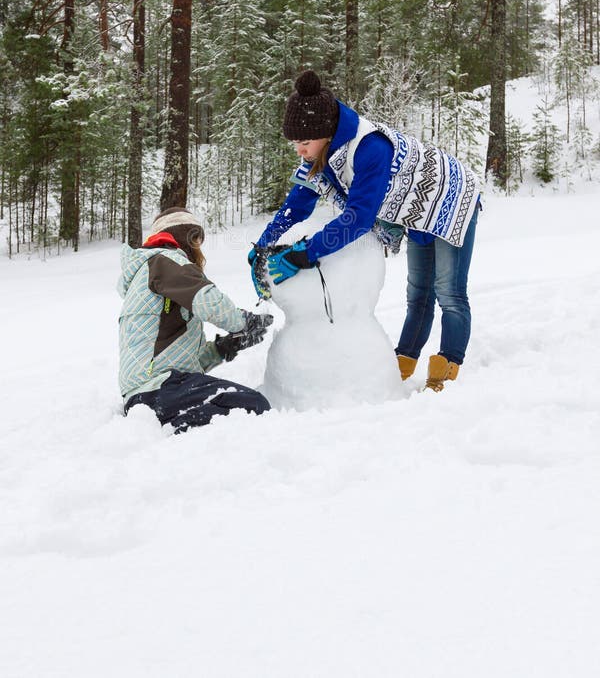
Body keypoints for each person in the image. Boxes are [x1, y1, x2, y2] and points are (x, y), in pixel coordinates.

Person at [250, 70, 480, 392]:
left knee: (449, 292)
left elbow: (358, 217)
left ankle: (447, 366)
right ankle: (403, 361)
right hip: (416, 212)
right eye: (295, 144)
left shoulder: (370, 147)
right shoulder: (321, 155)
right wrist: (263, 245)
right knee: (418, 293)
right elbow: (298, 204)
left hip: (451, 200)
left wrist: (306, 253)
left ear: (324, 133)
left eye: (304, 143)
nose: (299, 151)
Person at [119, 207, 272, 432]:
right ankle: (176, 435)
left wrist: (223, 348)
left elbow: (179, 360)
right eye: (196, 241)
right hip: (159, 390)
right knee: (253, 405)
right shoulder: (165, 260)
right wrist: (245, 321)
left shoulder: (152, 272)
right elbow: (209, 302)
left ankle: (174, 431)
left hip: (149, 395)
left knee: (238, 406)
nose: (199, 251)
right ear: (184, 237)